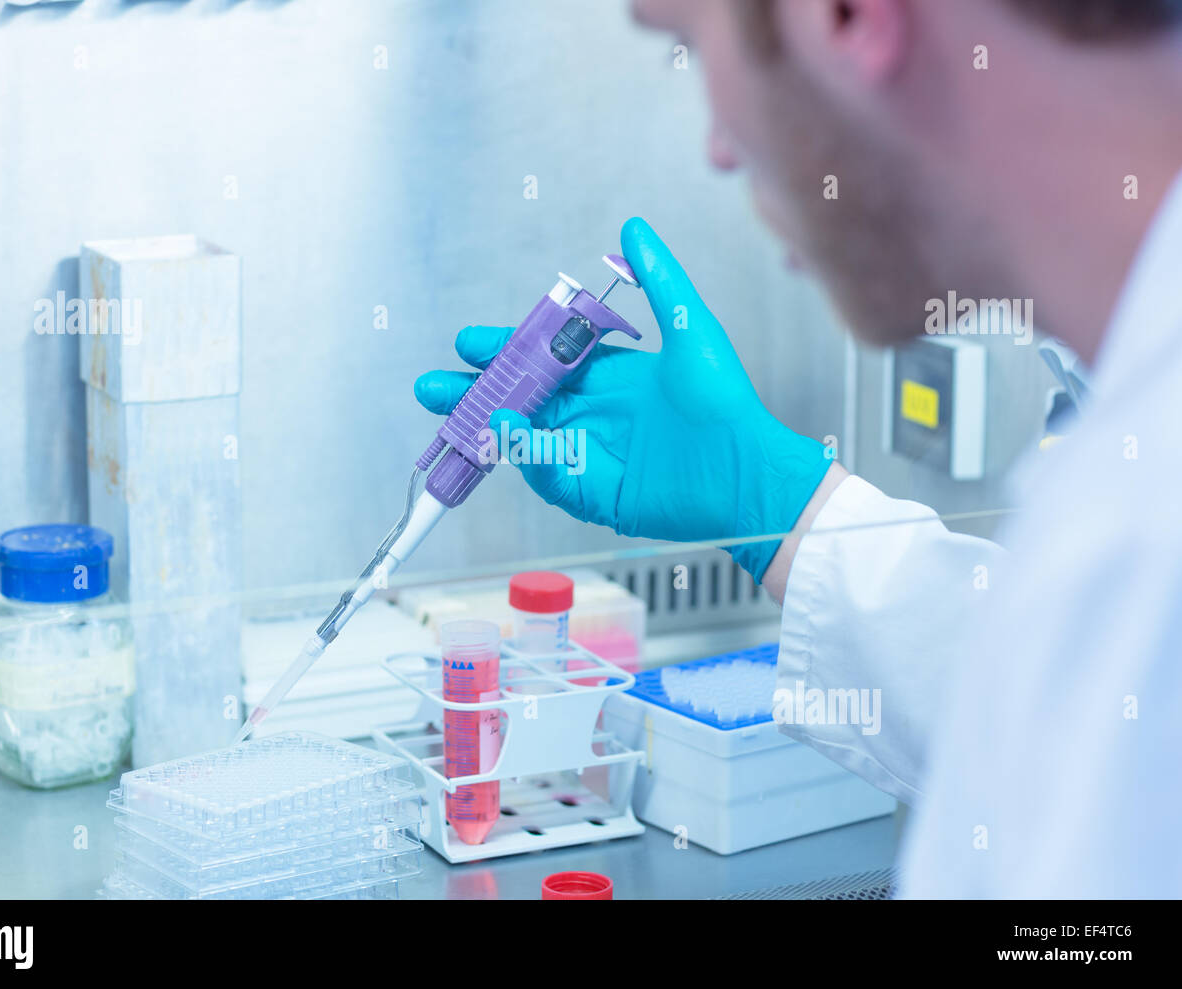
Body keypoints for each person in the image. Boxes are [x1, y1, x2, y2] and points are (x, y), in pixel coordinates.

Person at [415, 0, 1182, 897]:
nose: (720, 149)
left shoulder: (1142, 515)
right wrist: (779, 505)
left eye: (692, 47)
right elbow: (1068, 724)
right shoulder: (1128, 421)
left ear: (848, 16)